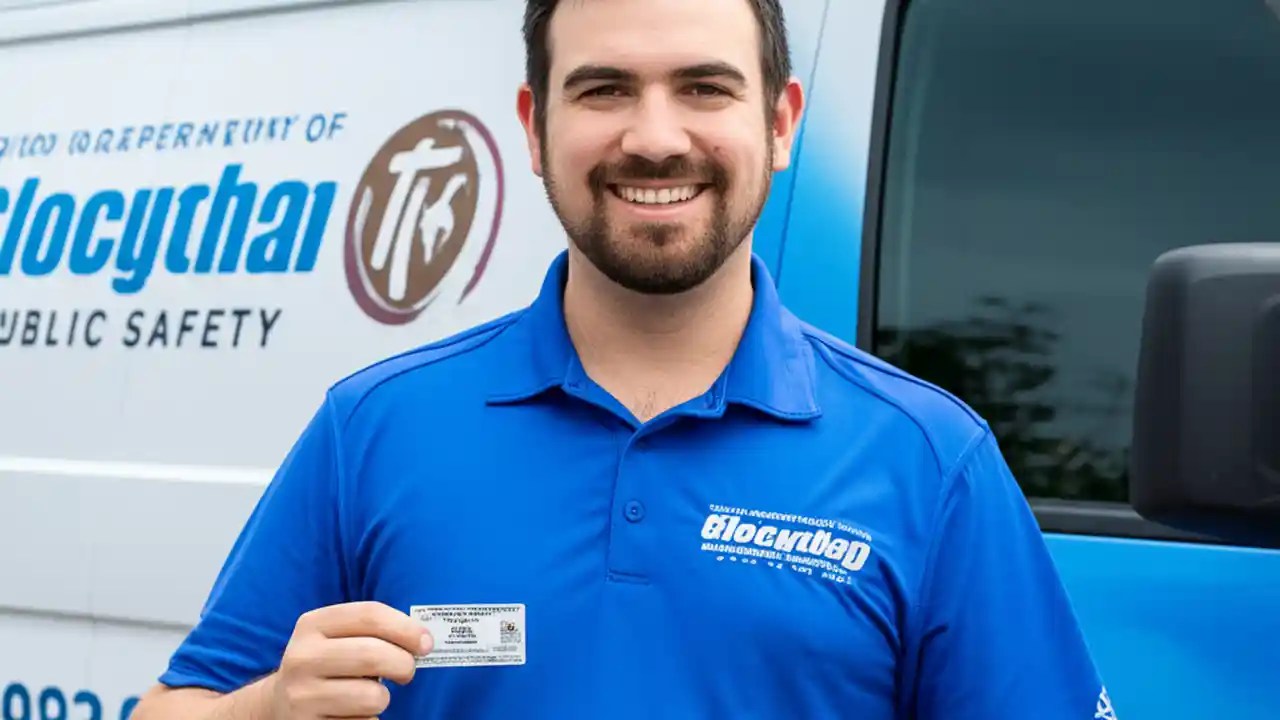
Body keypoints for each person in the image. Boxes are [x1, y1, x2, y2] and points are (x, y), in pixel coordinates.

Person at [132, 0, 1115, 718]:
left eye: (702, 86)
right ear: (533, 125)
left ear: (778, 123)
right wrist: (258, 711)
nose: (653, 137)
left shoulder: (926, 458)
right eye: (603, 89)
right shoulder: (375, 427)